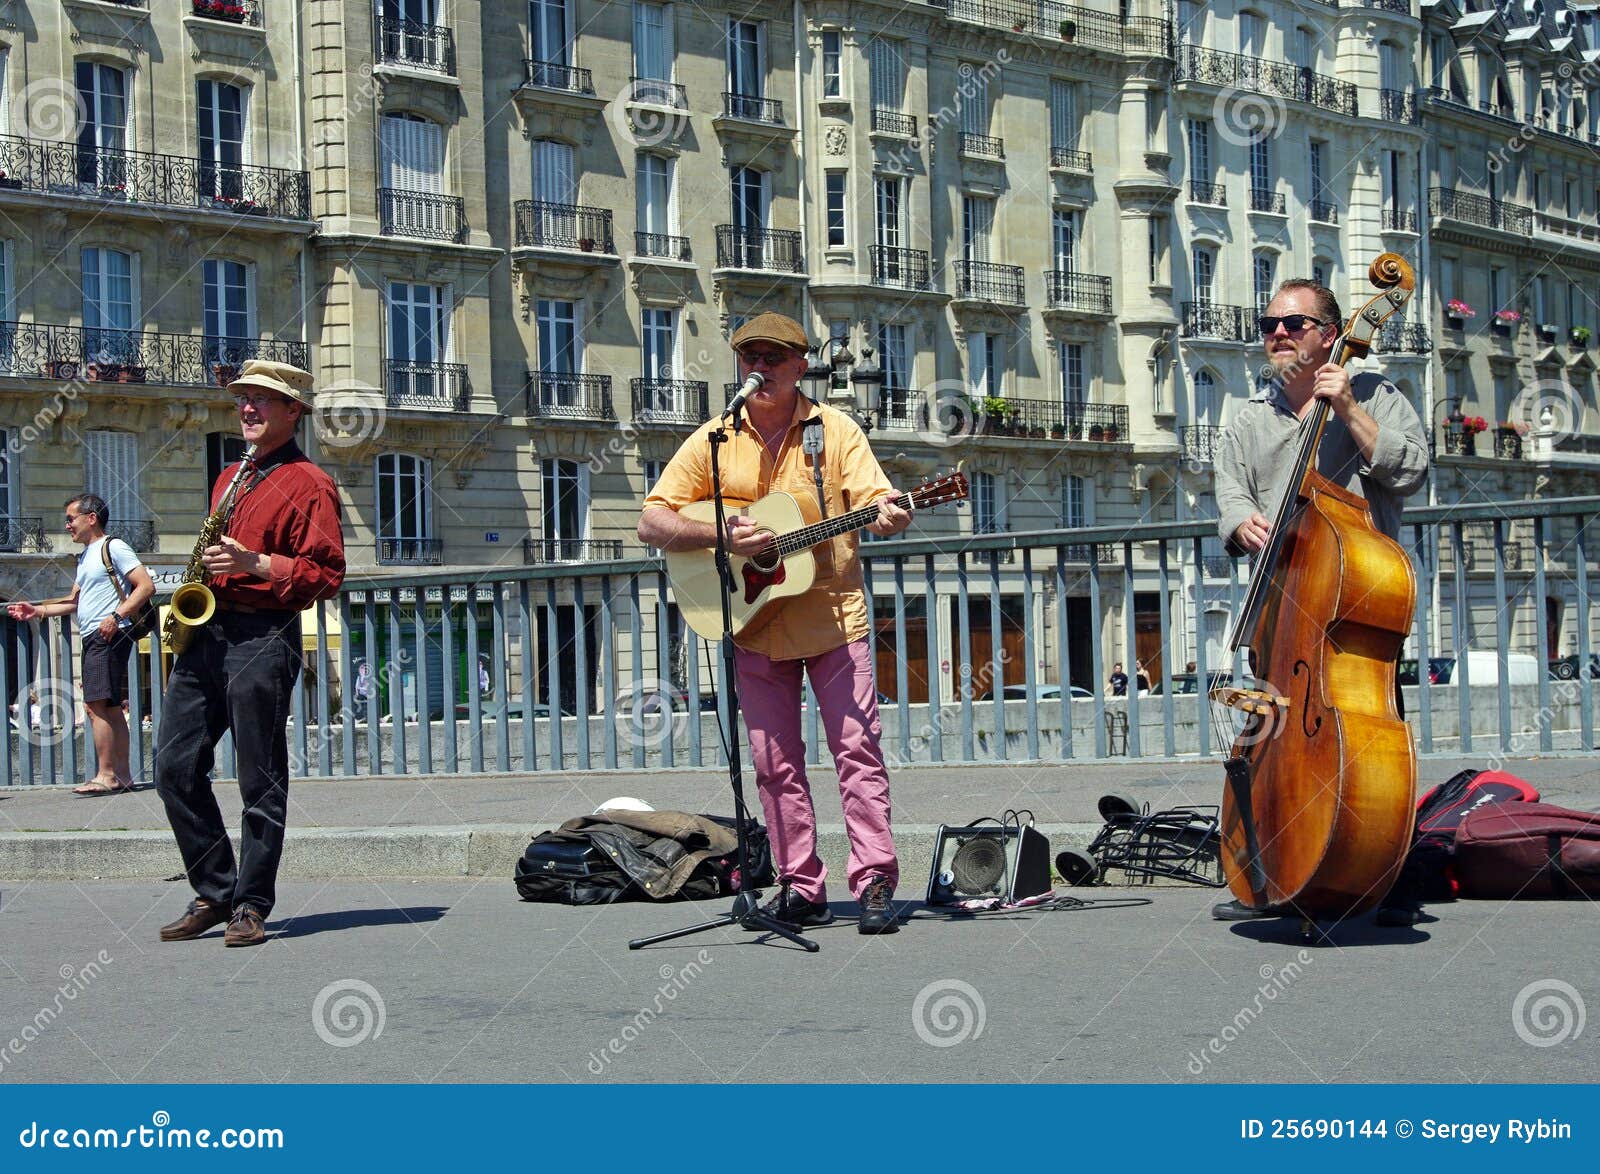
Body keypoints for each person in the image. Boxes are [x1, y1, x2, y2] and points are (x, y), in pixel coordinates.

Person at [637, 312, 912, 935]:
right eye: (748, 355)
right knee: (773, 762)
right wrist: (720, 534)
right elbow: (651, 520)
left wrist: (888, 514)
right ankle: (799, 885)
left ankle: (872, 882)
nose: (758, 365)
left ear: (800, 364)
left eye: (773, 356)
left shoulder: (834, 430)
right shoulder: (714, 437)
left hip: (833, 618)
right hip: (753, 622)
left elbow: (876, 499)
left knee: (857, 751)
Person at [1211, 278, 1429, 924]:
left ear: (1330, 335)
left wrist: (1350, 414)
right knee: (1276, 743)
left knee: (1358, 744)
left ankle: (1370, 871)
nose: (1277, 334)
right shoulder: (1250, 419)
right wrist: (1240, 519)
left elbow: (1412, 471)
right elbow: (1229, 488)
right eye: (1268, 324)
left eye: (1293, 324)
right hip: (1278, 620)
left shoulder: (1379, 398)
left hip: (1349, 611)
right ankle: (1275, 867)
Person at [154, 360, 345, 947]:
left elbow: (328, 573)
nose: (249, 409)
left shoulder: (311, 481)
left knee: (257, 775)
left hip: (263, 632)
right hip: (210, 629)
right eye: (244, 399)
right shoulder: (230, 477)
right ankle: (214, 890)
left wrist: (256, 565)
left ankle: (251, 905)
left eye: (264, 400)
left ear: (293, 412)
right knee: (173, 766)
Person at [7, 494, 155, 795]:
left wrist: (116, 615)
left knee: (96, 705)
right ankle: (122, 775)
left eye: (71, 518)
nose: (66, 525)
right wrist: (38, 611)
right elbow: (74, 601)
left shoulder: (114, 547)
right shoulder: (87, 556)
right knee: (110, 706)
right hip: (94, 635)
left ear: (91, 518)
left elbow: (146, 585)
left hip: (108, 633)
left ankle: (106, 774)